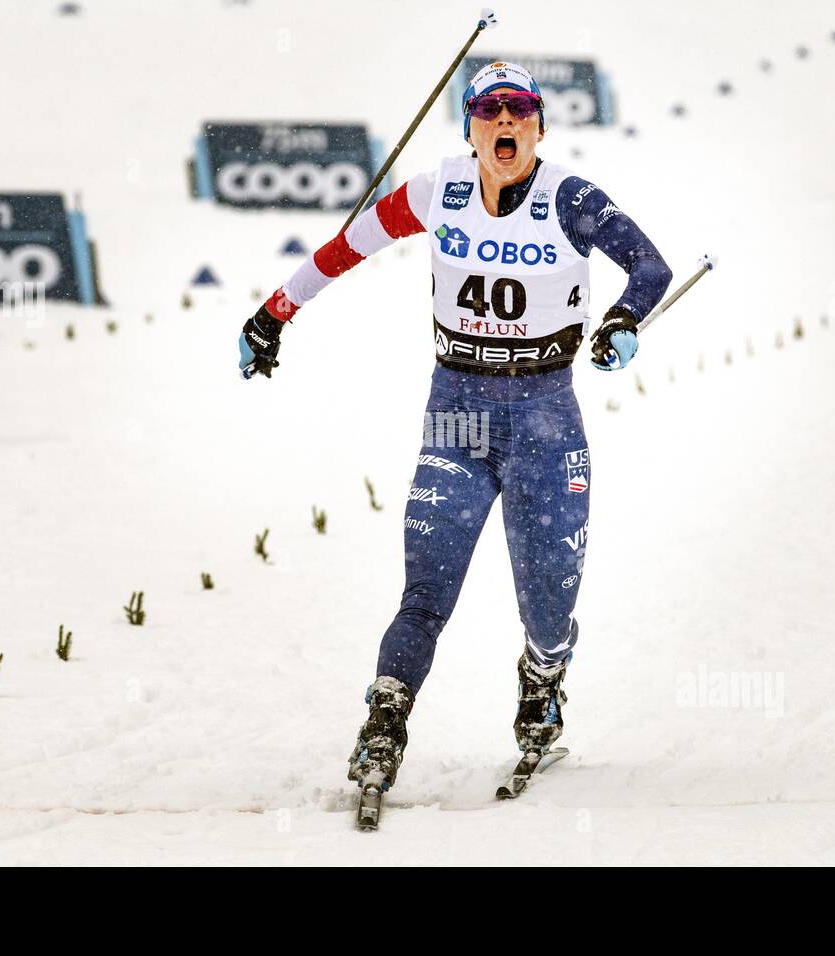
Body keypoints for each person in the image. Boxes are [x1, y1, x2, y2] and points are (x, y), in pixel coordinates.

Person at [239, 62, 673, 794]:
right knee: (426, 592)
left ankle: (542, 678)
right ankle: (384, 722)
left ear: (540, 125)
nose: (506, 121)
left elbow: (650, 267)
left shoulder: (570, 198)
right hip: (459, 415)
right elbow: (344, 250)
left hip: (545, 417)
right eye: (490, 110)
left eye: (521, 110)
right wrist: (272, 313)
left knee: (548, 605)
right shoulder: (436, 191)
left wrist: (625, 319)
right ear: (469, 127)